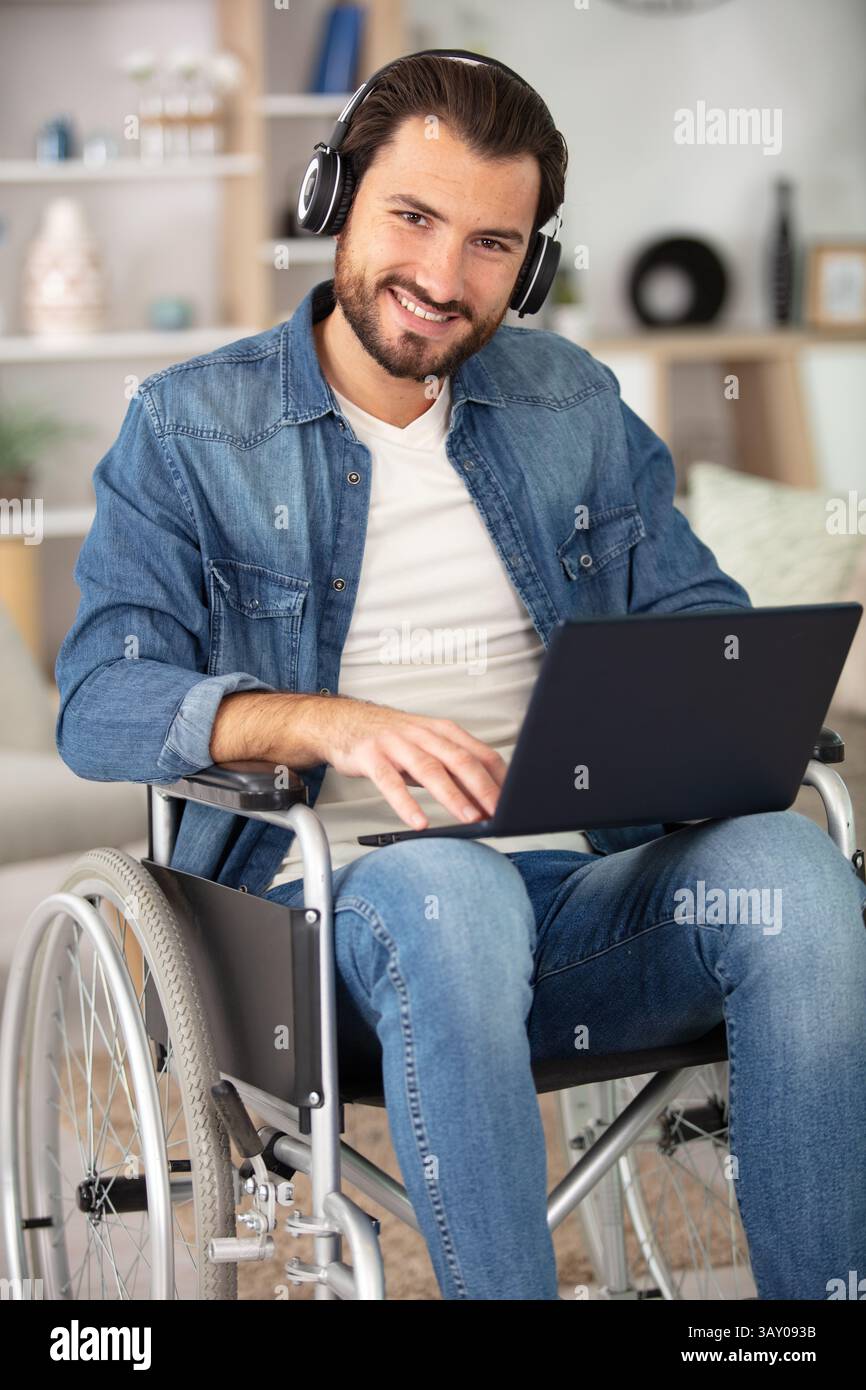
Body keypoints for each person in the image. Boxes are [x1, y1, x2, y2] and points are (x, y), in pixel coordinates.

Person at [55, 52, 866, 1301]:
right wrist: (330, 723)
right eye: (411, 218)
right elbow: (99, 701)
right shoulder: (188, 428)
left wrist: (696, 699)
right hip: (337, 925)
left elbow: (699, 614)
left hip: (580, 896)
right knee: (446, 890)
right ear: (332, 197)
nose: (440, 280)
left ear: (530, 264)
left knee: (798, 873)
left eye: (491, 243)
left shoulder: (570, 404)